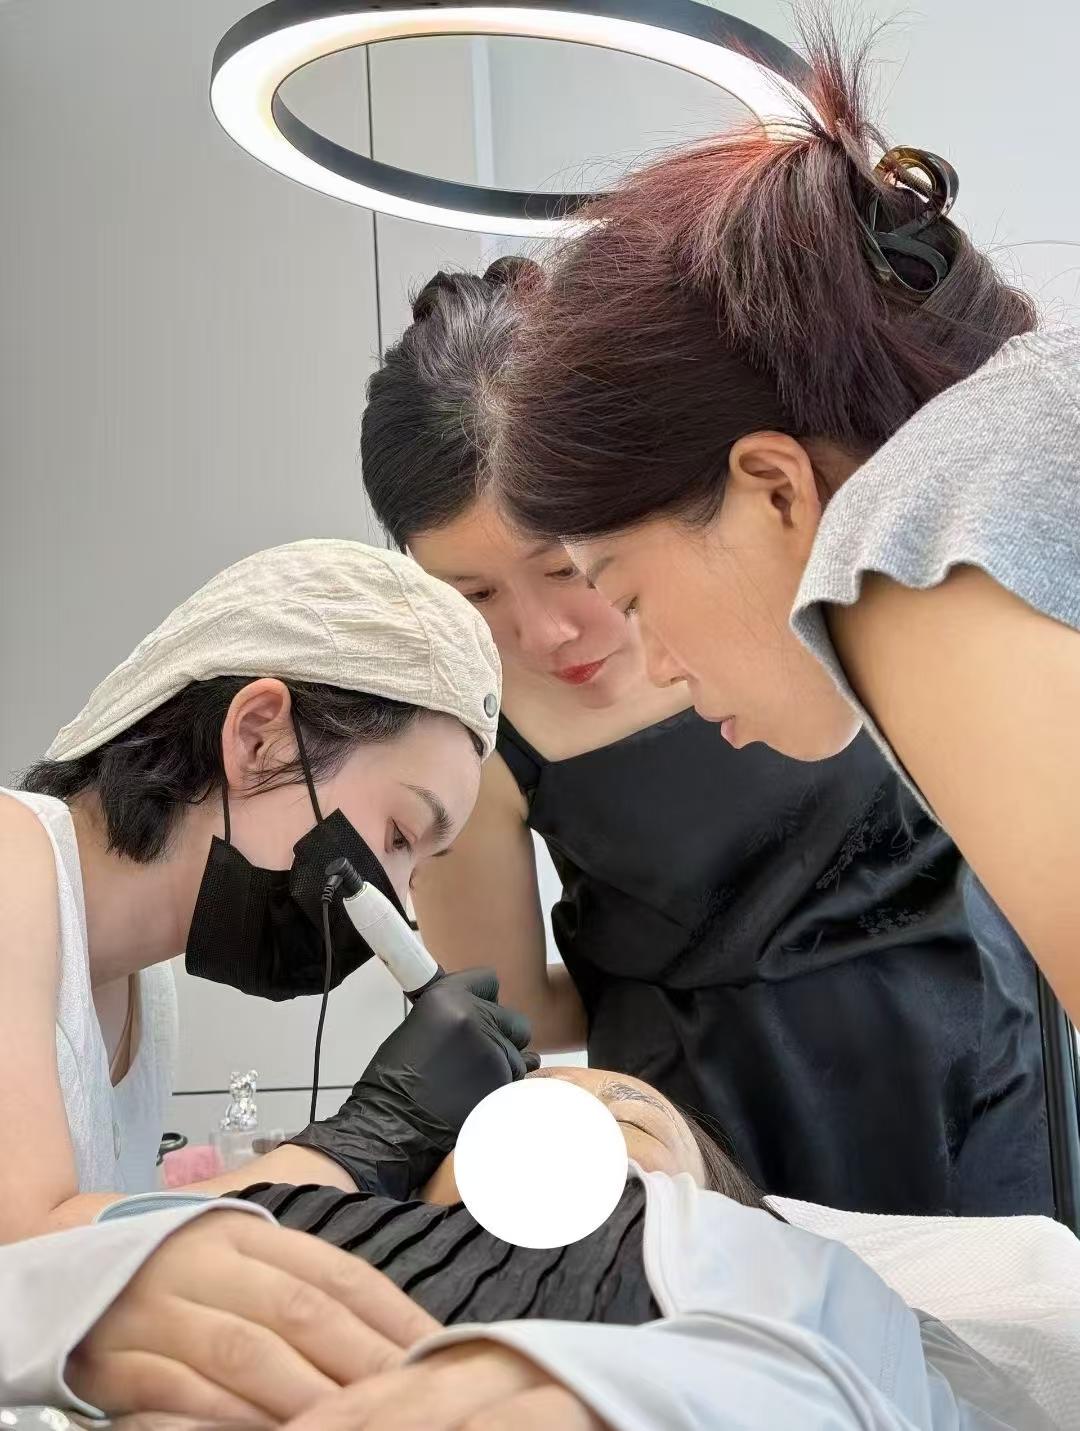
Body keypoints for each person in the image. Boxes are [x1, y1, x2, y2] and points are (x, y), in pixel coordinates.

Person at [359, 261, 1052, 1217]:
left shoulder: (835, 563)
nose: (544, 633)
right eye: (472, 594)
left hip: (982, 1062)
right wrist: (644, 989)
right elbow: (505, 1003)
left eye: (568, 568)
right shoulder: (477, 733)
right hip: (717, 1129)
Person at [490, 25, 1080, 1042]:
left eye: (628, 596)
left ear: (774, 488)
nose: (658, 667)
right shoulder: (1024, 433)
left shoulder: (912, 539)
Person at [16, 1063, 1070, 1429]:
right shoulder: (266, 1223)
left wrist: (649, 1397)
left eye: (626, 1113)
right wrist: (77, 1297)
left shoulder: (788, 1277)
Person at [0, 537, 539, 1242]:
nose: (400, 903)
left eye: (418, 866)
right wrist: (372, 1139)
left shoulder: (145, 998)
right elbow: (31, 1252)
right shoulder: (10, 855)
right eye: (399, 835)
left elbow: (113, 1264)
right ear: (259, 738)